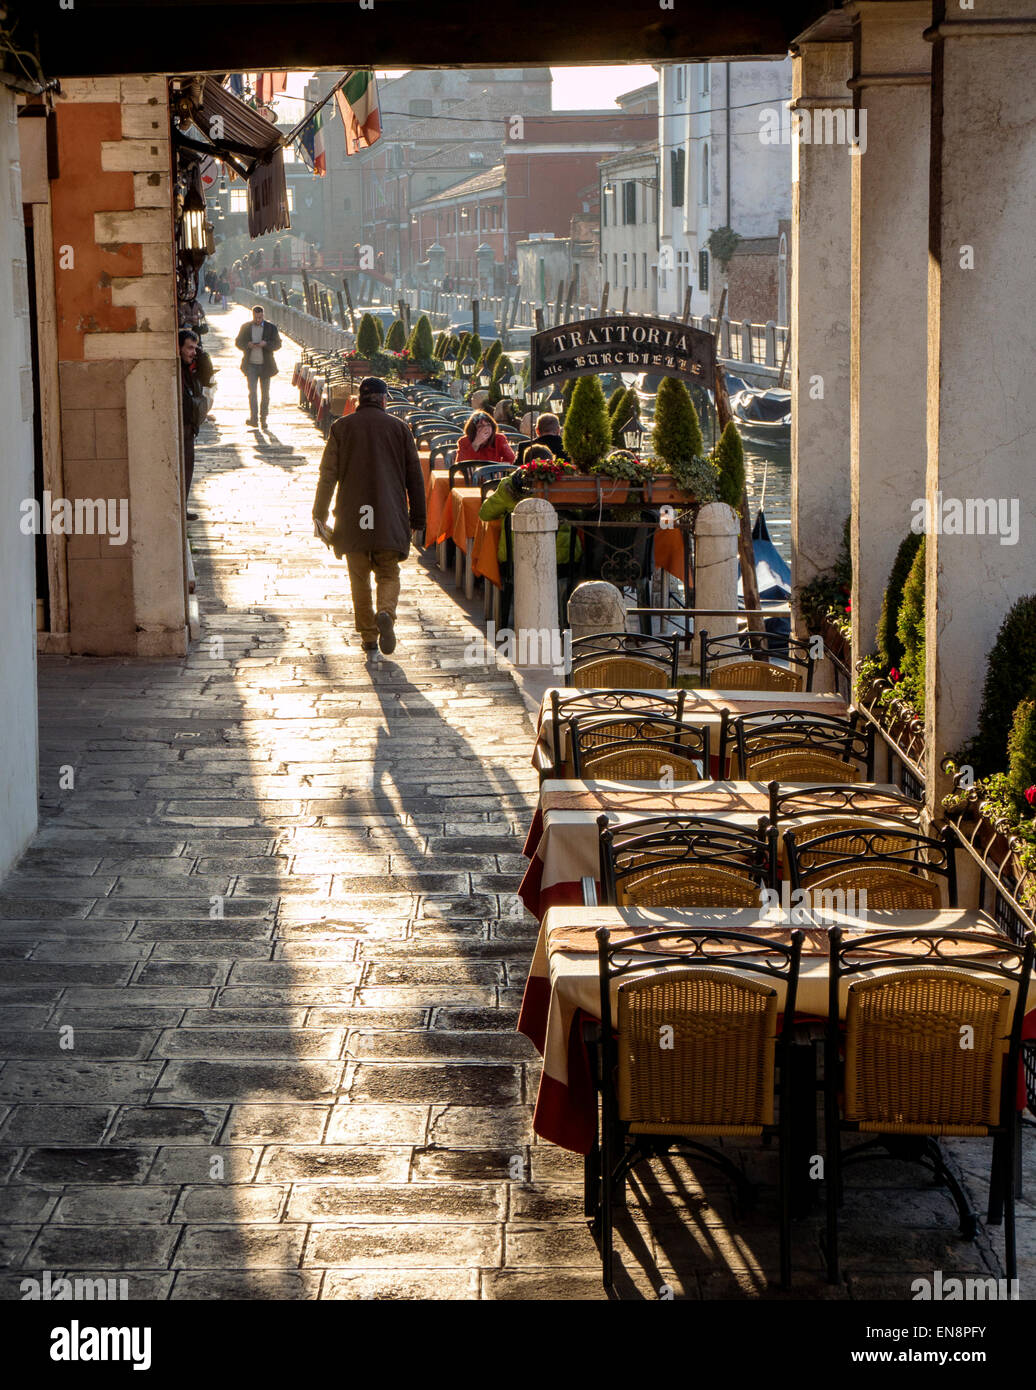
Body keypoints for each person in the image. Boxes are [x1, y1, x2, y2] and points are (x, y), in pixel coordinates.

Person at [312, 376, 426, 656]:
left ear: (359, 399)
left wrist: (319, 513)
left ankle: (368, 637)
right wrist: (418, 519)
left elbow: (328, 475)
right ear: (384, 399)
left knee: (359, 577)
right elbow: (415, 478)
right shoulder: (400, 429)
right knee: (388, 572)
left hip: (354, 517)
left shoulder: (341, 427)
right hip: (389, 515)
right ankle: (385, 612)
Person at [477, 445, 580, 567]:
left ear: (524, 465)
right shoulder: (565, 485)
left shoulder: (509, 485)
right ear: (552, 462)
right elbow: (579, 513)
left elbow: (485, 514)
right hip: (563, 559)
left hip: (517, 558)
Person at [235, 304, 281, 428]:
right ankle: (254, 418)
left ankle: (263, 418)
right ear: (252, 315)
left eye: (260, 317)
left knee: (265, 394)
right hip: (251, 365)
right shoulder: (246, 327)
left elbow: (278, 344)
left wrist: (266, 344)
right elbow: (238, 342)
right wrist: (247, 344)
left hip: (266, 365)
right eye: (256, 317)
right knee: (252, 392)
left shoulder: (271, 328)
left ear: (263, 316)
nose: (258, 320)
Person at [179, 328, 206, 521]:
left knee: (188, 470)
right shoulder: (177, 369)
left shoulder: (191, 367)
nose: (193, 352)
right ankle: (180, 506)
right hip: (181, 426)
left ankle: (183, 506)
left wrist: (202, 355)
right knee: (182, 470)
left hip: (190, 427)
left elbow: (207, 378)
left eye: (195, 348)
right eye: (189, 348)